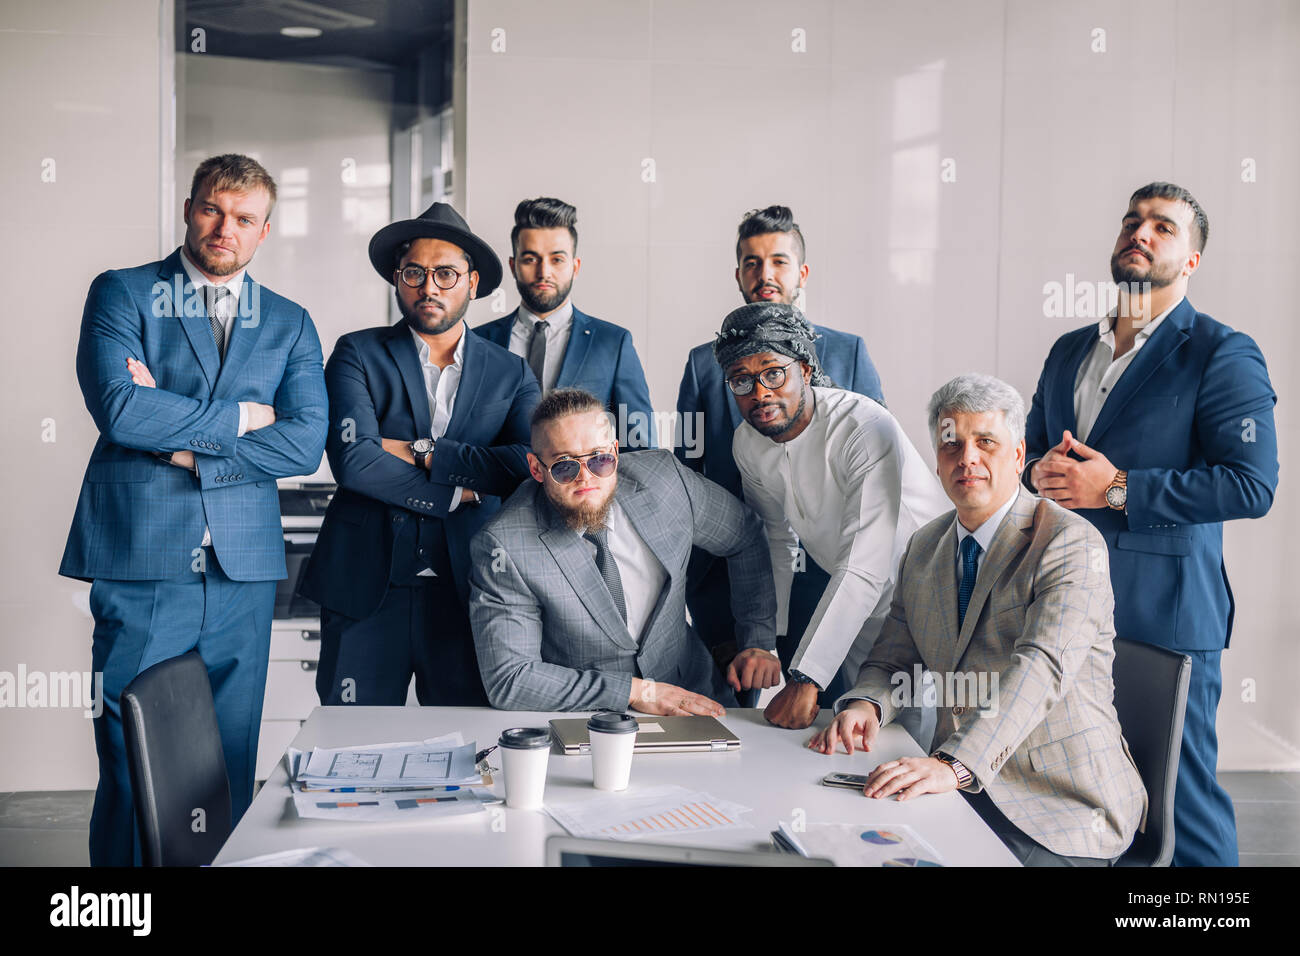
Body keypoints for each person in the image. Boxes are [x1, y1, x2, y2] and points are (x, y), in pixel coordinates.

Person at [60, 153, 328, 866]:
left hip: (241, 570)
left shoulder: (292, 323)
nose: (224, 228)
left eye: (244, 218)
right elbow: (119, 409)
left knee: (225, 760)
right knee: (130, 756)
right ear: (188, 208)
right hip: (144, 555)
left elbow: (304, 442)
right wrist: (243, 416)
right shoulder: (122, 293)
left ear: (264, 231)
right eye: (212, 209)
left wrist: (179, 441)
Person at [1023, 182, 1278, 866]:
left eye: (1163, 227)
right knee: (1093, 793)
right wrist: (1038, 475)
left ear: (1191, 259)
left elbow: (1252, 485)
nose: (1141, 232)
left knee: (1178, 808)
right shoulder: (1070, 348)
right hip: (1069, 608)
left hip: (1164, 617)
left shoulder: (1222, 352)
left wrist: (1116, 489)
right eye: (1133, 220)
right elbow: (1033, 456)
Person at [811, 374, 1147, 866]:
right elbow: (891, 653)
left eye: (986, 442)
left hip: (1061, 803)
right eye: (951, 444)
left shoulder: (1069, 543)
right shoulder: (924, 547)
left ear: (1017, 456)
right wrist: (867, 704)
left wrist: (954, 765)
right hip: (963, 788)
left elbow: (1041, 668)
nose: (967, 457)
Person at [299, 202, 539, 707]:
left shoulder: (511, 373)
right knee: (351, 748)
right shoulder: (357, 352)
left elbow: (523, 463)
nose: (429, 287)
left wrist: (424, 451)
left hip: (469, 589)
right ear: (397, 279)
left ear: (472, 283)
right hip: (365, 586)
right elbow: (354, 460)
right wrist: (458, 492)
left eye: (446, 274)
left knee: (470, 749)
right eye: (415, 272)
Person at [676, 205, 884, 699]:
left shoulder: (847, 351)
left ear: (802, 272)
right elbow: (687, 464)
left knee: (827, 701)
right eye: (752, 262)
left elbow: (876, 463)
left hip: (828, 565)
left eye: (779, 261)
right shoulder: (703, 364)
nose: (765, 274)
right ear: (738, 273)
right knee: (733, 707)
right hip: (732, 565)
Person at [468, 388, 782, 713]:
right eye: (564, 466)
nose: (586, 478)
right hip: (589, 719)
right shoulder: (505, 544)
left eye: (600, 459)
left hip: (695, 691)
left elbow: (744, 534)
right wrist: (639, 692)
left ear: (615, 452)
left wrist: (757, 639)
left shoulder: (666, 481)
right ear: (536, 469)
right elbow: (511, 680)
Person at [718, 303, 949, 733]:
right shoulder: (746, 444)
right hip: (860, 604)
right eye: (742, 380)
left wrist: (806, 678)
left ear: (805, 369)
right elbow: (775, 539)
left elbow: (865, 561)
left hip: (927, 597)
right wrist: (768, 642)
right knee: (865, 734)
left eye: (773, 372)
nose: (760, 393)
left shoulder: (863, 425)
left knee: (917, 736)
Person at [475, 197, 656, 448]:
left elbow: (640, 448)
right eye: (530, 259)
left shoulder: (613, 344)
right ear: (513, 266)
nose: (544, 272)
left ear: (575, 266)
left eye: (557, 259)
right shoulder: (478, 342)